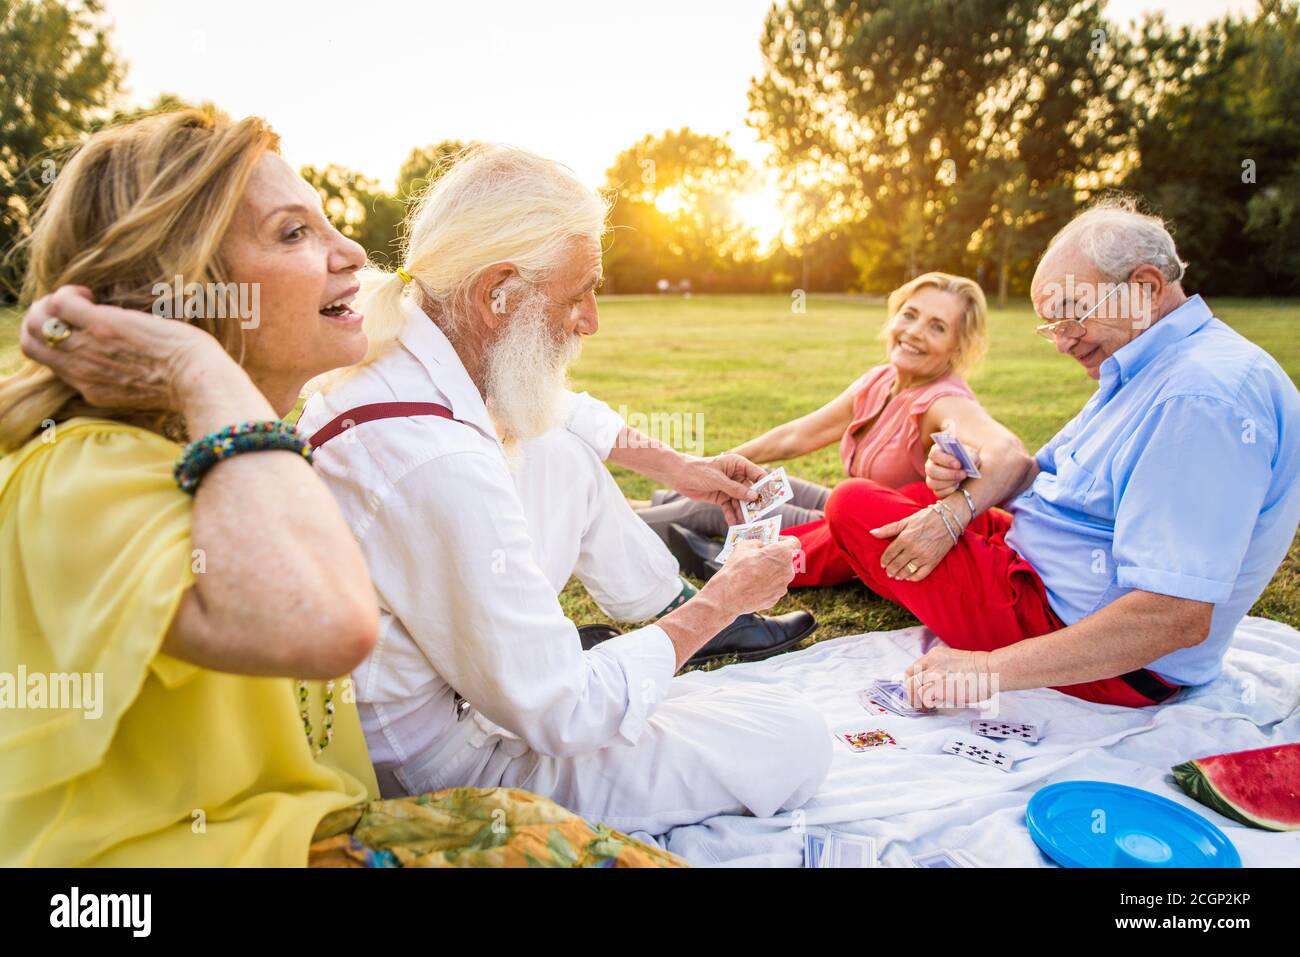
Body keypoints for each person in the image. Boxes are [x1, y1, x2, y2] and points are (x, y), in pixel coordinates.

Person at [0, 109, 680, 868]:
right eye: (293, 233)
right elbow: (329, 624)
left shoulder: (194, 454)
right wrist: (198, 368)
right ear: (185, 286)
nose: (353, 250)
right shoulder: (86, 472)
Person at [298, 145, 832, 836]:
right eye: (578, 292)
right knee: (793, 737)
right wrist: (723, 596)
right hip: (449, 766)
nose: (590, 319)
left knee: (555, 447)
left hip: (445, 684)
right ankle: (699, 620)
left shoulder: (403, 344)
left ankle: (663, 609)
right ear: (498, 293)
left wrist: (681, 468)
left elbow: (561, 411)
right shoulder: (441, 462)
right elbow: (563, 710)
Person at [824, 200, 1300, 709]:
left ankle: (782, 548)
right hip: (1037, 564)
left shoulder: (1201, 399)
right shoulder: (1149, 362)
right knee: (918, 499)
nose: (1061, 343)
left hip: (1089, 643)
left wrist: (983, 669)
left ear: (1144, 289)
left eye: (1074, 314)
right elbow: (1040, 478)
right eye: (1051, 324)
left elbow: (1173, 615)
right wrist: (970, 475)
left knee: (854, 506)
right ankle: (776, 547)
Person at [638, 273, 1026, 587]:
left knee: (713, 507)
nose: (914, 332)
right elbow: (795, 437)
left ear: (957, 348)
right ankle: (632, 506)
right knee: (737, 484)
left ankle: (602, 525)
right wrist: (711, 465)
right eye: (909, 315)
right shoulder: (881, 381)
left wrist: (956, 510)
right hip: (842, 507)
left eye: (937, 327)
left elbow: (1008, 451)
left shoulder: (943, 400)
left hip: (865, 535)